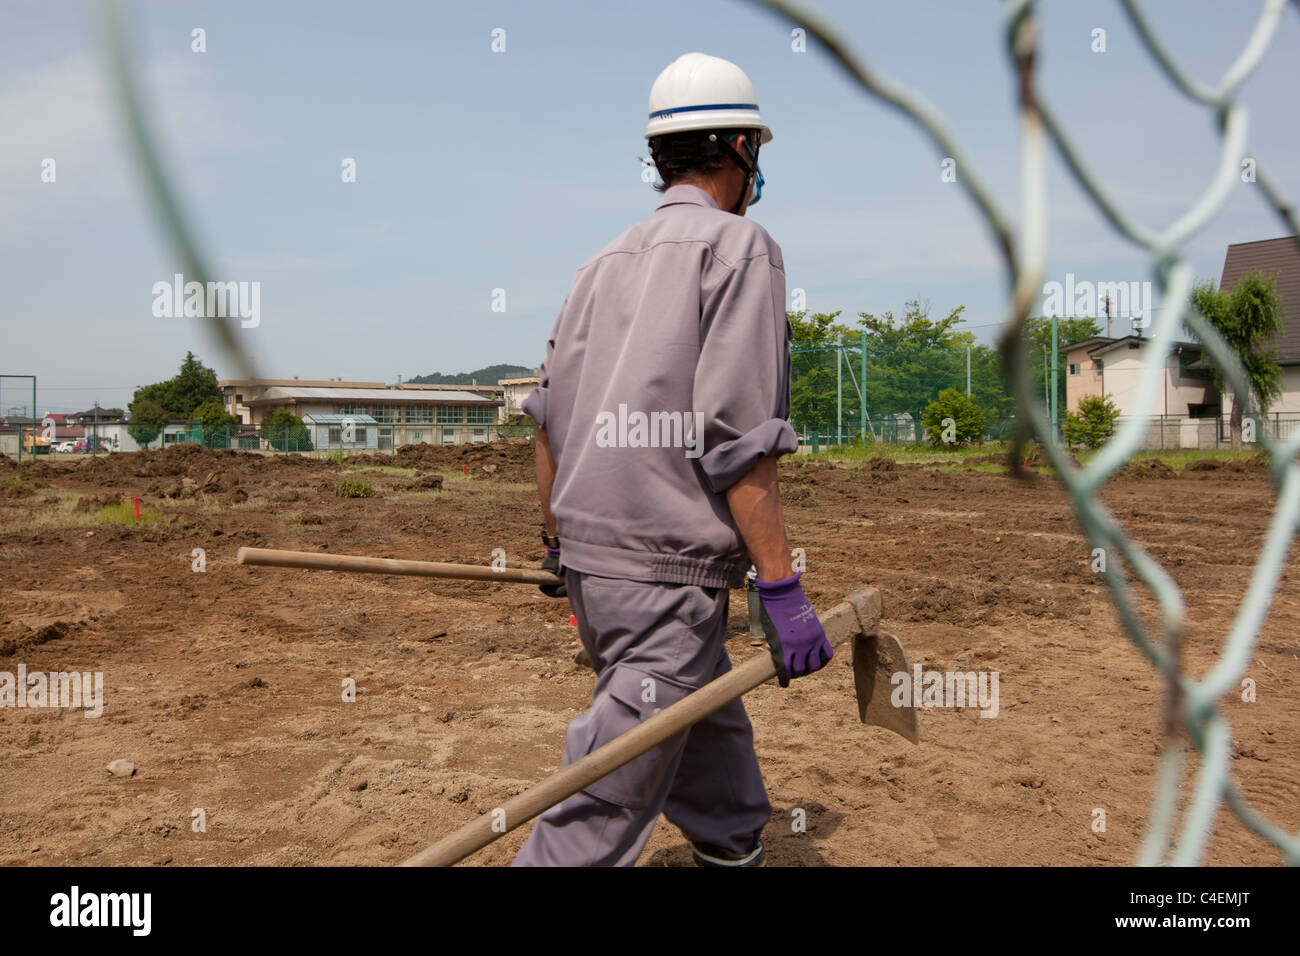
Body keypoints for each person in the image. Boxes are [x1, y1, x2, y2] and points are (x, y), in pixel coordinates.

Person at [513, 52, 832, 868]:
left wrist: (556, 544)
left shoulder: (597, 265)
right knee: (603, 793)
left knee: (694, 706)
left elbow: (546, 421)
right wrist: (781, 584)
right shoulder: (740, 249)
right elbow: (740, 441)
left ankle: (732, 843)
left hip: (597, 566)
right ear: (737, 146)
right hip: (665, 572)